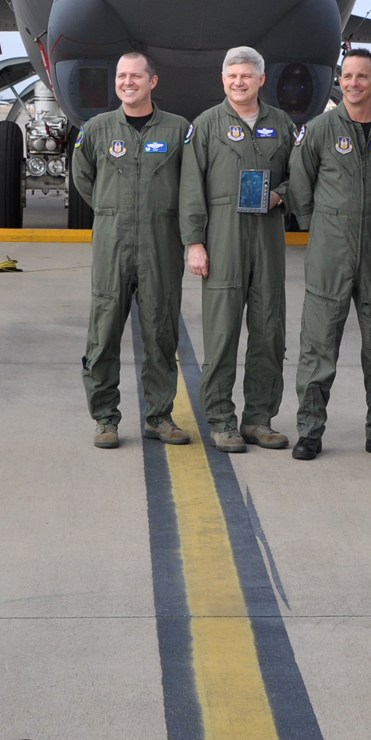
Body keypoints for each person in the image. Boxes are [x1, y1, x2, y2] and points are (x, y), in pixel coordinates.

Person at [70, 51, 193, 450]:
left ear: (152, 81)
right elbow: (83, 178)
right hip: (113, 244)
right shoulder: (97, 129)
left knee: (161, 333)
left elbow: (190, 183)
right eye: (122, 76)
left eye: (136, 76)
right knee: (104, 333)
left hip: (162, 245)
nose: (127, 82)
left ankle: (159, 416)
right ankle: (105, 418)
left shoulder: (178, 130)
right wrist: (112, 210)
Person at [287, 49, 371, 461]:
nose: (354, 83)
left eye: (363, 76)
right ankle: (310, 430)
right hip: (329, 248)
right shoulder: (319, 128)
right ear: (342, 80)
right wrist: (315, 227)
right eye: (348, 76)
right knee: (318, 343)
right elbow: (300, 181)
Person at [179, 47, 297, 453]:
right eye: (232, 76)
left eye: (246, 76)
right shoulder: (207, 125)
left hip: (267, 237)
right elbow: (191, 188)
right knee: (222, 334)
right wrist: (194, 243)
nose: (239, 82)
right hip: (222, 237)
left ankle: (259, 420)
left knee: (269, 332)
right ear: (223, 79)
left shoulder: (281, 123)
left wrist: (281, 195)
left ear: (261, 79)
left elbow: (300, 176)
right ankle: (221, 420)